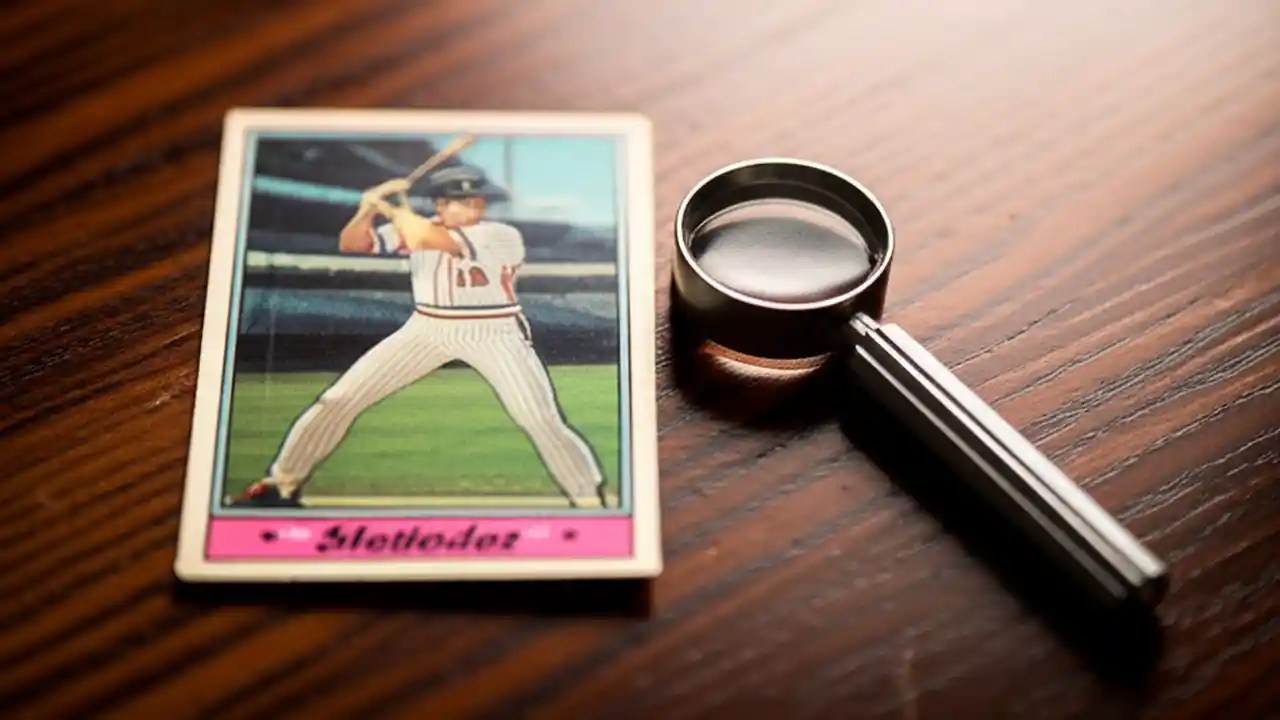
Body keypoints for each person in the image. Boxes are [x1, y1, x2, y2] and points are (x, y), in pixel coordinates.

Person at [235, 165, 606, 508]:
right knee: (339, 399)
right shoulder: (415, 225)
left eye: (475, 199)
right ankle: (281, 484)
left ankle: (589, 498)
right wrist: (366, 210)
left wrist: (392, 205)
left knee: (538, 417)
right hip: (426, 327)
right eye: (459, 200)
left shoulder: (499, 234)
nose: (472, 206)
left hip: (493, 330)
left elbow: (431, 239)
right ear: (441, 204)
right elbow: (352, 244)